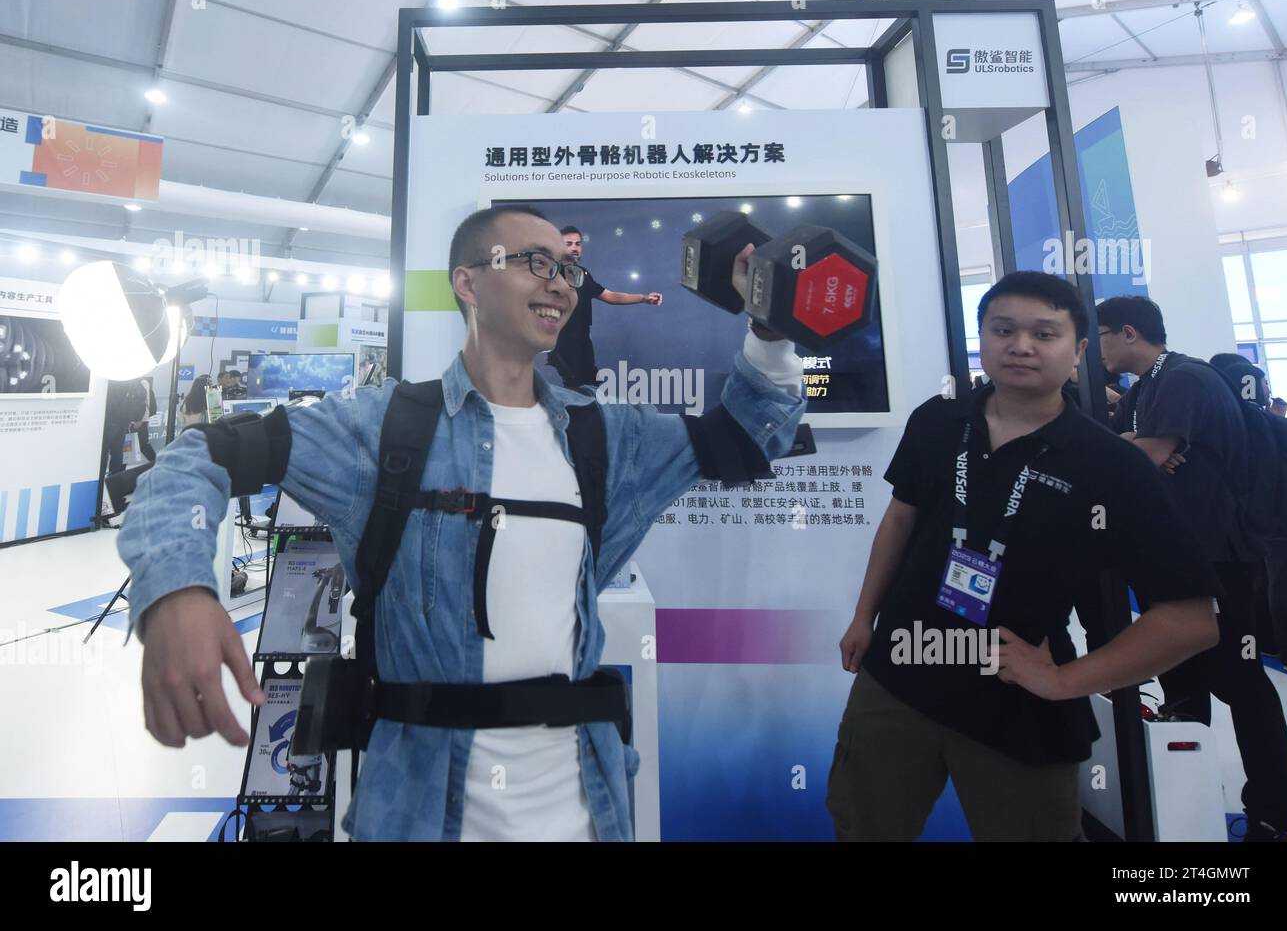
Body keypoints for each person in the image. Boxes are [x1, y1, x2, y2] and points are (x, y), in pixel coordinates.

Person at [116, 204, 807, 842]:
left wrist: (770, 325)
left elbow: (747, 437)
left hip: (587, 812)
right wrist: (176, 589)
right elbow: (201, 456)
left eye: (567, 270)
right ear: (468, 283)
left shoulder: (609, 439)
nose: (563, 285)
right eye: (537, 263)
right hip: (418, 812)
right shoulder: (383, 430)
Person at [828, 271, 1219, 842]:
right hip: (899, 675)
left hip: (1017, 703)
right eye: (1003, 329)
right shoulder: (936, 422)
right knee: (862, 827)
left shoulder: (1109, 464)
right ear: (982, 337)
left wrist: (1066, 681)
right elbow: (901, 518)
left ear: (1080, 349)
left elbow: (1190, 619)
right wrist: (865, 616)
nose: (1021, 346)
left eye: (1045, 333)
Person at [1098, 296, 1287, 841]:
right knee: (1182, 682)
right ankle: (1189, 804)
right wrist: (1137, 447)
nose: (1098, 350)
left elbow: (1152, 451)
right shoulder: (1145, 389)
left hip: (1220, 560)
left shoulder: (1185, 378)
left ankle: (1271, 814)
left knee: (1242, 684)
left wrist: (1148, 448)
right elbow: (1128, 448)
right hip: (1175, 557)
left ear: (1130, 333)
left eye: (1103, 336)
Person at [546, 225, 663, 389]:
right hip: (561, 346)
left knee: (588, 391)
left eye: (578, 244)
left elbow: (610, 296)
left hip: (581, 345)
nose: (574, 248)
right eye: (569, 243)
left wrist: (644, 298)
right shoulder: (548, 273)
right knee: (577, 393)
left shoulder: (582, 274)